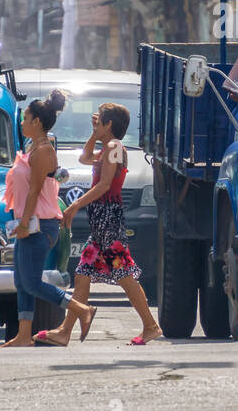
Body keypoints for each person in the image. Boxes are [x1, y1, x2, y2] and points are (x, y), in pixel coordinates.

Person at [48, 102, 162, 346]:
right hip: (100, 221)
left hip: (108, 220)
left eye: (98, 121)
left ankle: (151, 326)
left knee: (123, 274)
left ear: (109, 124)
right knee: (82, 275)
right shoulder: (108, 146)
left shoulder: (114, 147)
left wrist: (75, 205)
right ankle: (65, 330)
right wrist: (94, 133)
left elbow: (105, 184)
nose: (95, 124)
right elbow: (85, 157)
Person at [0, 92, 96, 348]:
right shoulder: (34, 147)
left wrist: (23, 223)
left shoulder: (42, 151)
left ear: (38, 123)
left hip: (39, 225)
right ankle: (23, 335)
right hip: (29, 222)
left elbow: (34, 191)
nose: (21, 122)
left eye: (26, 118)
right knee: (21, 282)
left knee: (31, 282)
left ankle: (79, 308)